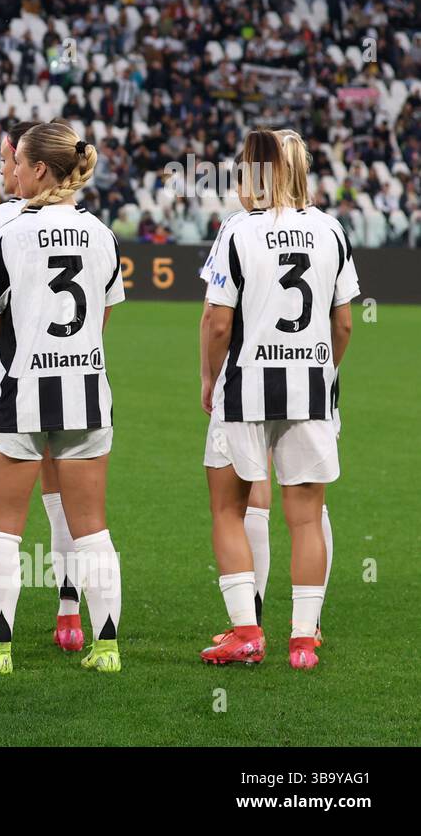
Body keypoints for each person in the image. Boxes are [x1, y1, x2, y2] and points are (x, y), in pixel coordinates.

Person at [0, 121, 125, 675]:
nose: (12, 172)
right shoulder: (101, 234)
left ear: (38, 169)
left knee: (3, 528)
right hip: (86, 391)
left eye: (18, 163)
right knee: (93, 527)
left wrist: (27, 352)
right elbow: (103, 316)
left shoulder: (11, 234)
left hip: (21, 392)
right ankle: (106, 648)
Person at [200, 129, 357, 670]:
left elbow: (218, 322)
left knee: (228, 507)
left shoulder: (238, 230)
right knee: (307, 518)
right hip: (311, 388)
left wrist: (209, 377)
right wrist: (322, 370)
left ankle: (246, 631)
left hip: (246, 386)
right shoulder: (331, 230)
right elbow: (343, 323)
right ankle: (303, 641)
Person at [0, 119, 87, 654]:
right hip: (67, 373)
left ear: (28, 162)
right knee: (63, 499)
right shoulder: (85, 224)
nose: (5, 168)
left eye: (8, 158)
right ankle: (70, 617)